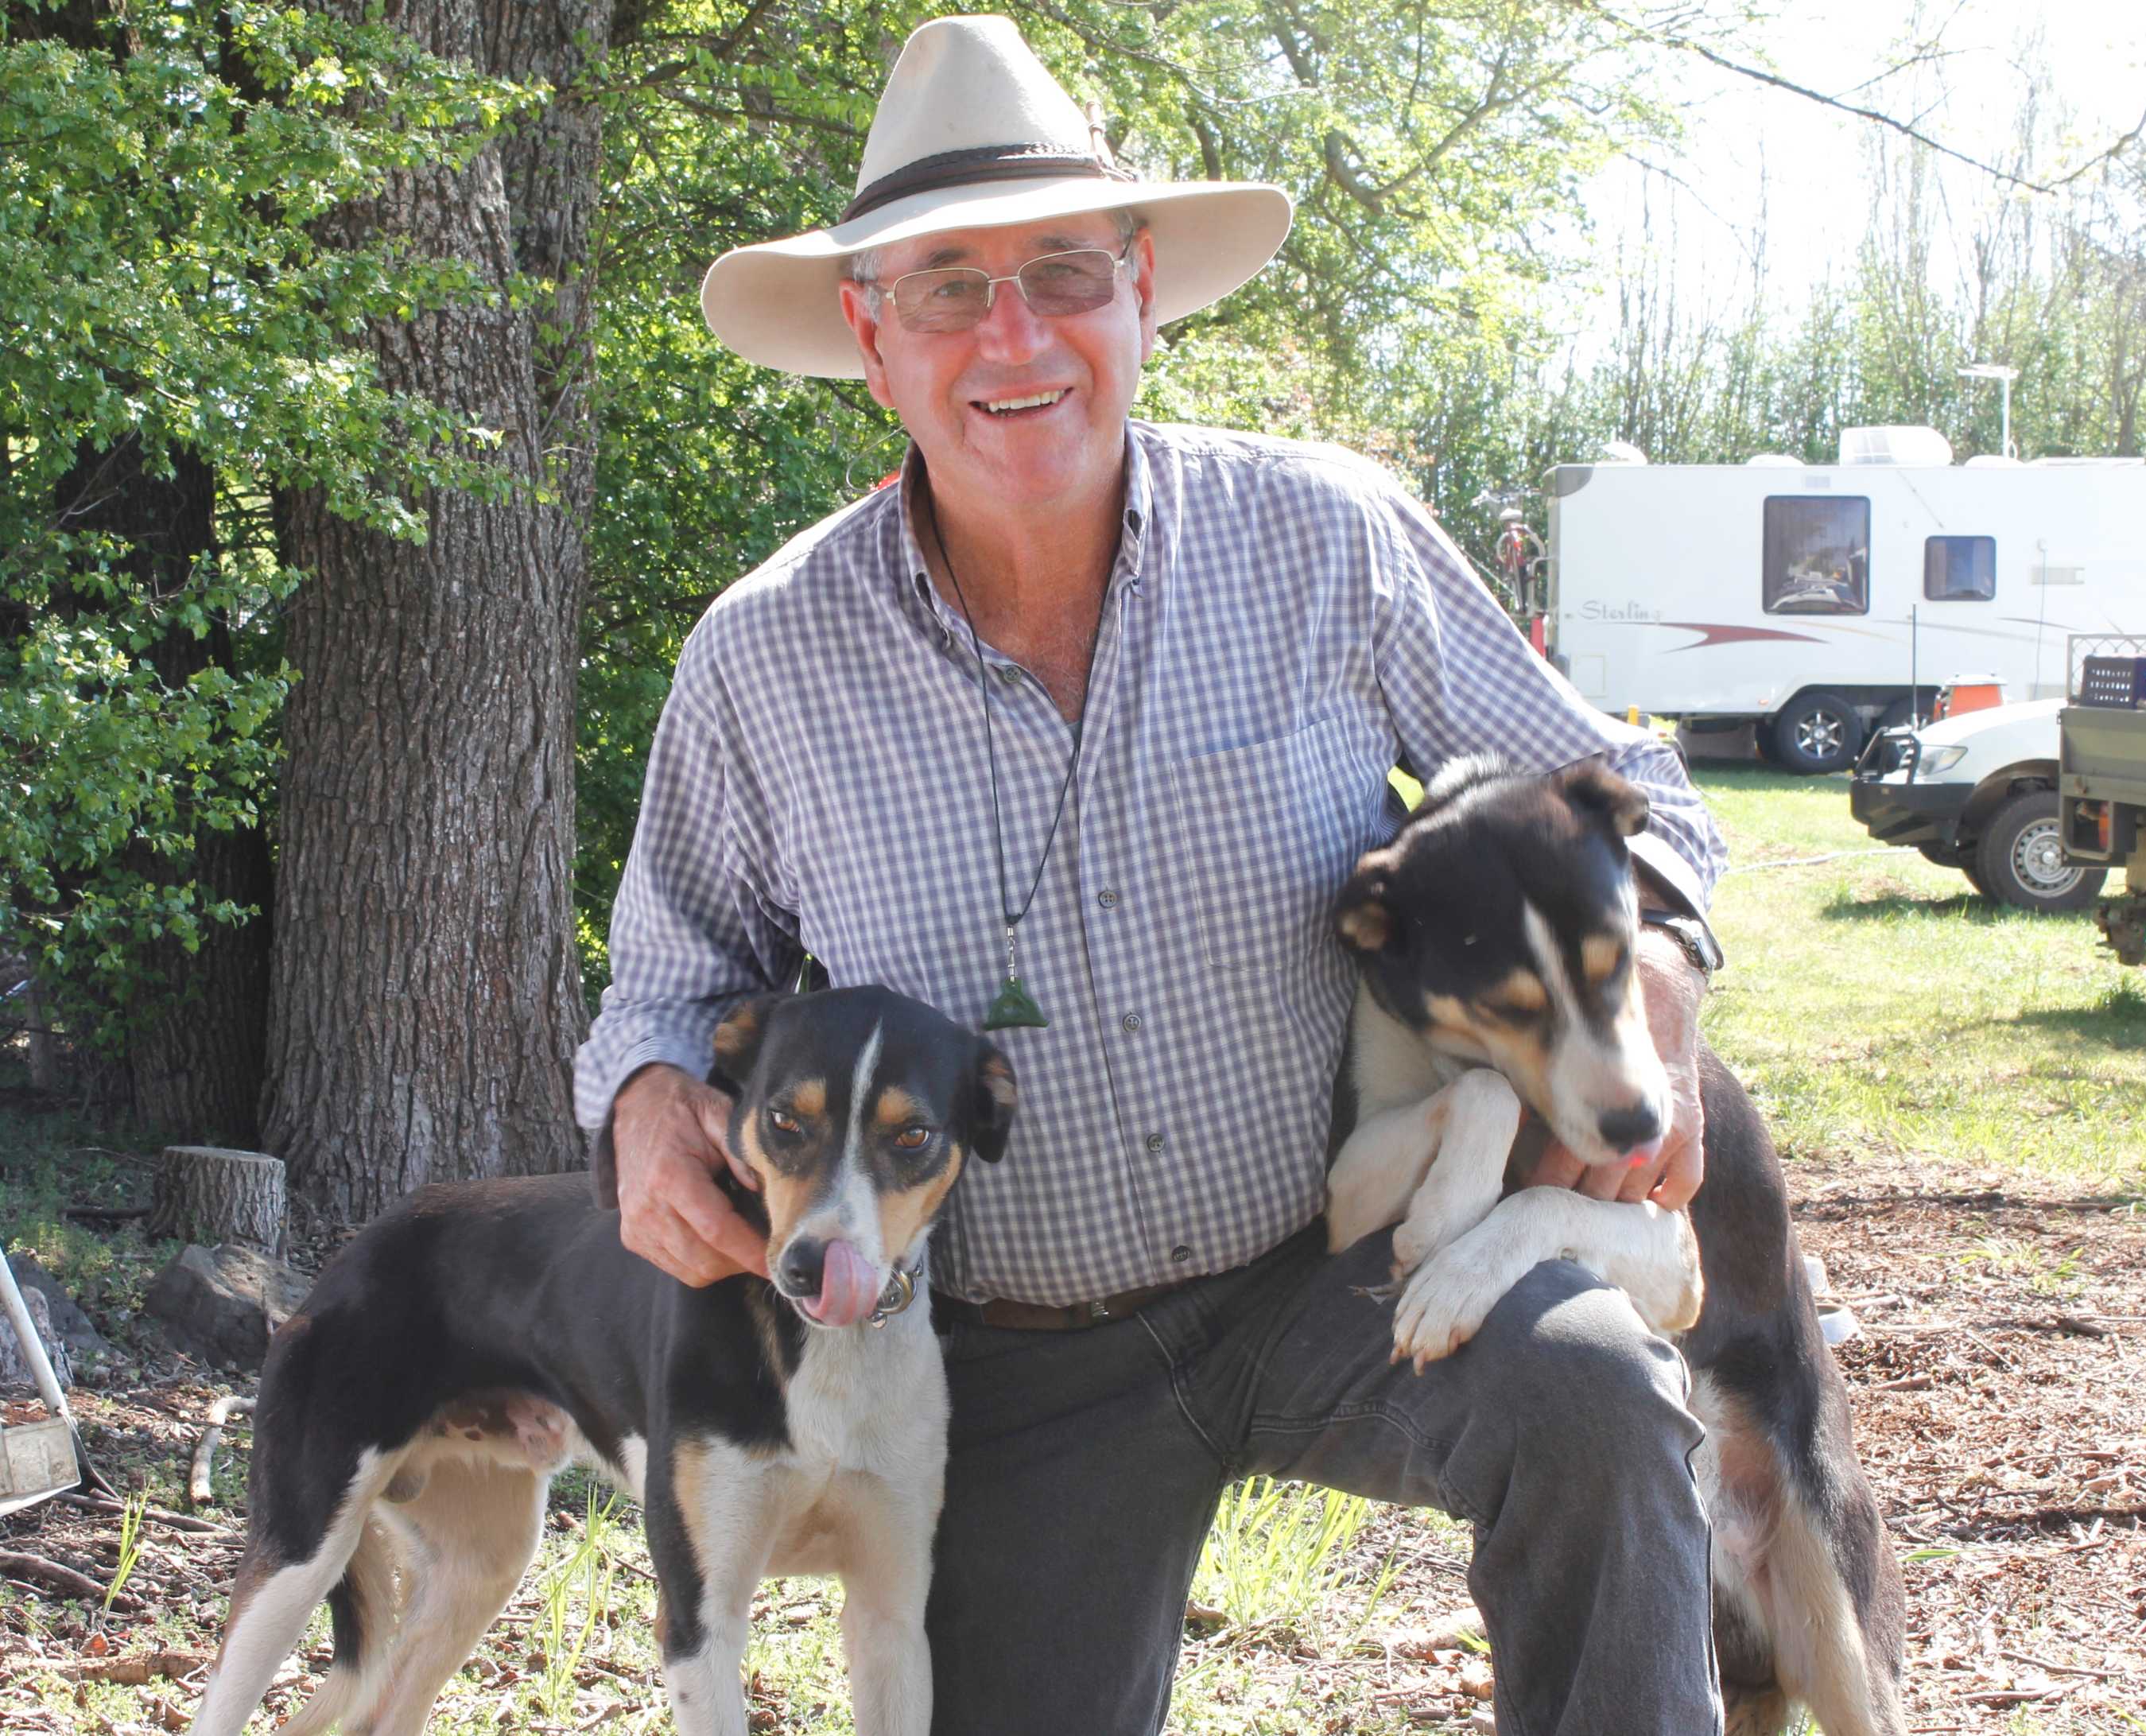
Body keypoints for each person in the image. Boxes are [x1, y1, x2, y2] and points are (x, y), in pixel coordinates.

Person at [576, 17, 1729, 1734]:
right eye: (950, 286)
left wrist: (1658, 982)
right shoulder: (767, 661)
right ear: (868, 336)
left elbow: (1629, 789)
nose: (1016, 333)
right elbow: (666, 980)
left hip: (1350, 1252)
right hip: (1009, 1357)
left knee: (1593, 1400)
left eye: (1064, 269)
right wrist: (651, 1100)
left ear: (1140, 297)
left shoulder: (1327, 541)